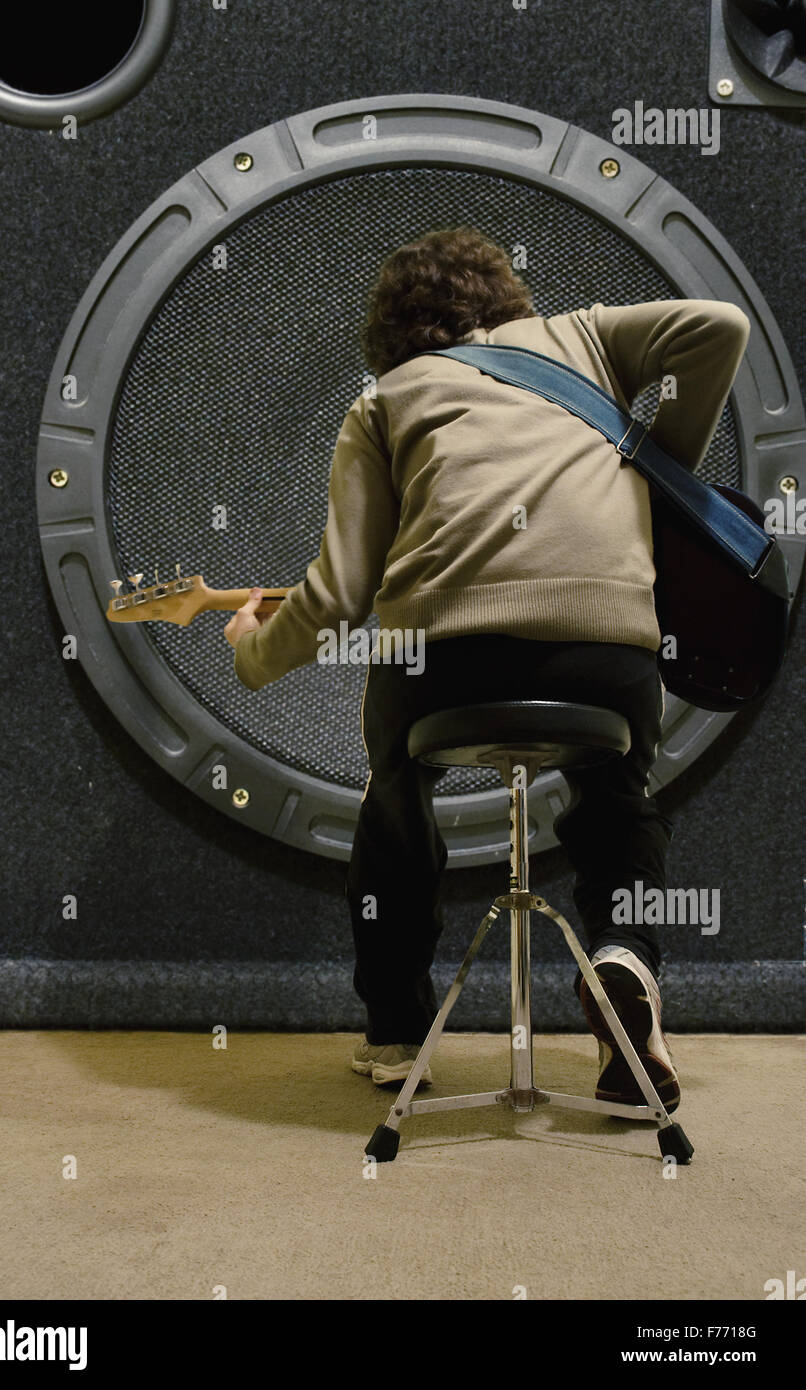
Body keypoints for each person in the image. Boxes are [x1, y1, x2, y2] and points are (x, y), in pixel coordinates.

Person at [225, 225, 750, 1113]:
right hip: (610, 646)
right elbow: (720, 327)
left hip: (444, 663)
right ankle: (625, 955)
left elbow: (340, 593)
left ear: (391, 333)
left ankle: (396, 1035)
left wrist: (252, 653)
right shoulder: (582, 336)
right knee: (620, 798)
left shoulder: (386, 399)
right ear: (508, 297)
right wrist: (660, 480)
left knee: (394, 800)